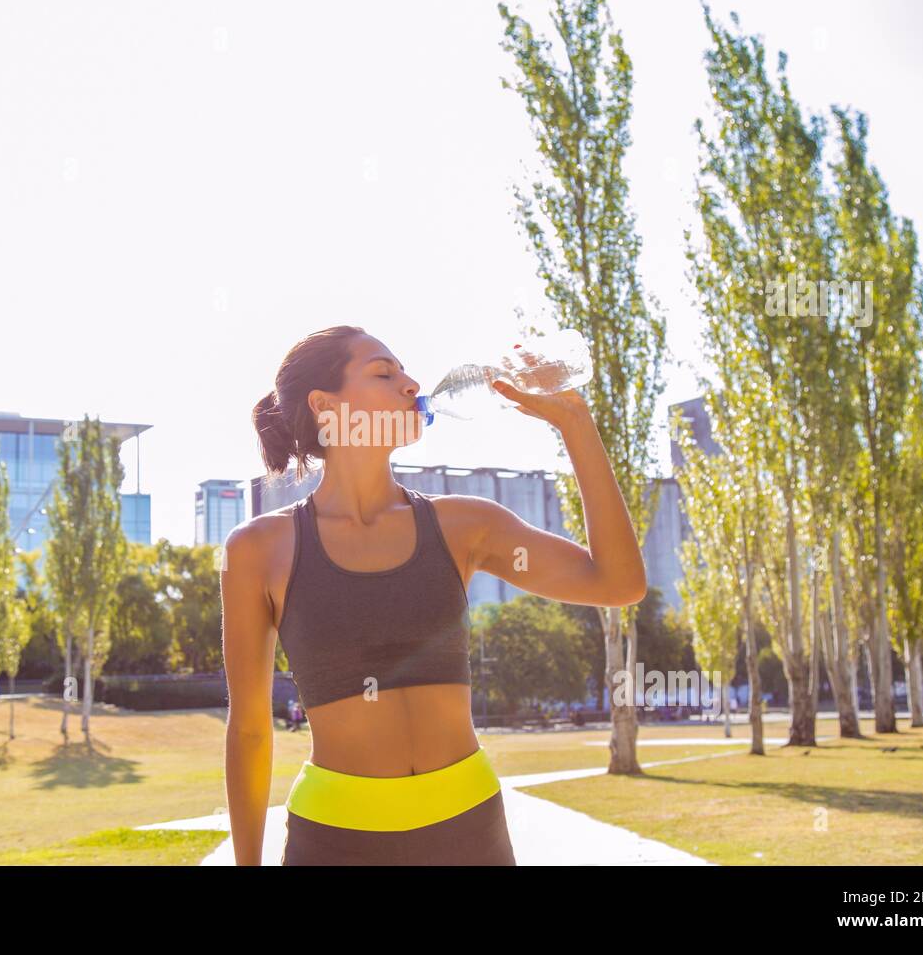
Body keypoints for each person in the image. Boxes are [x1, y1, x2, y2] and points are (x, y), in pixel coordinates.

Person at [221, 326, 647, 865]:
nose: (411, 383)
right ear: (326, 405)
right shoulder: (260, 549)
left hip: (468, 830)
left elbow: (619, 583)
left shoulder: (466, 525)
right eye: (385, 372)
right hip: (334, 837)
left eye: (405, 371)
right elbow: (252, 730)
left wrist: (574, 422)